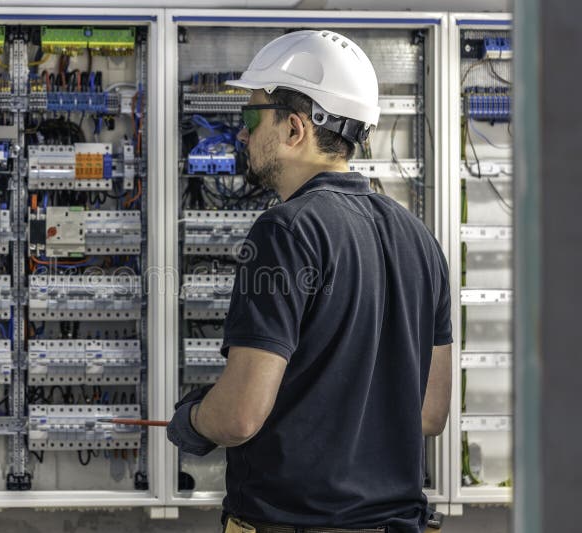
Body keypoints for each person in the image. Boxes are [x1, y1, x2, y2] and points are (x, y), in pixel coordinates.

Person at [167, 30, 452, 533]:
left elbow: (239, 416)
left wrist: (192, 420)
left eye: (251, 118)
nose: (240, 134)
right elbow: (429, 415)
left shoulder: (286, 231)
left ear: (295, 128)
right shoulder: (420, 239)